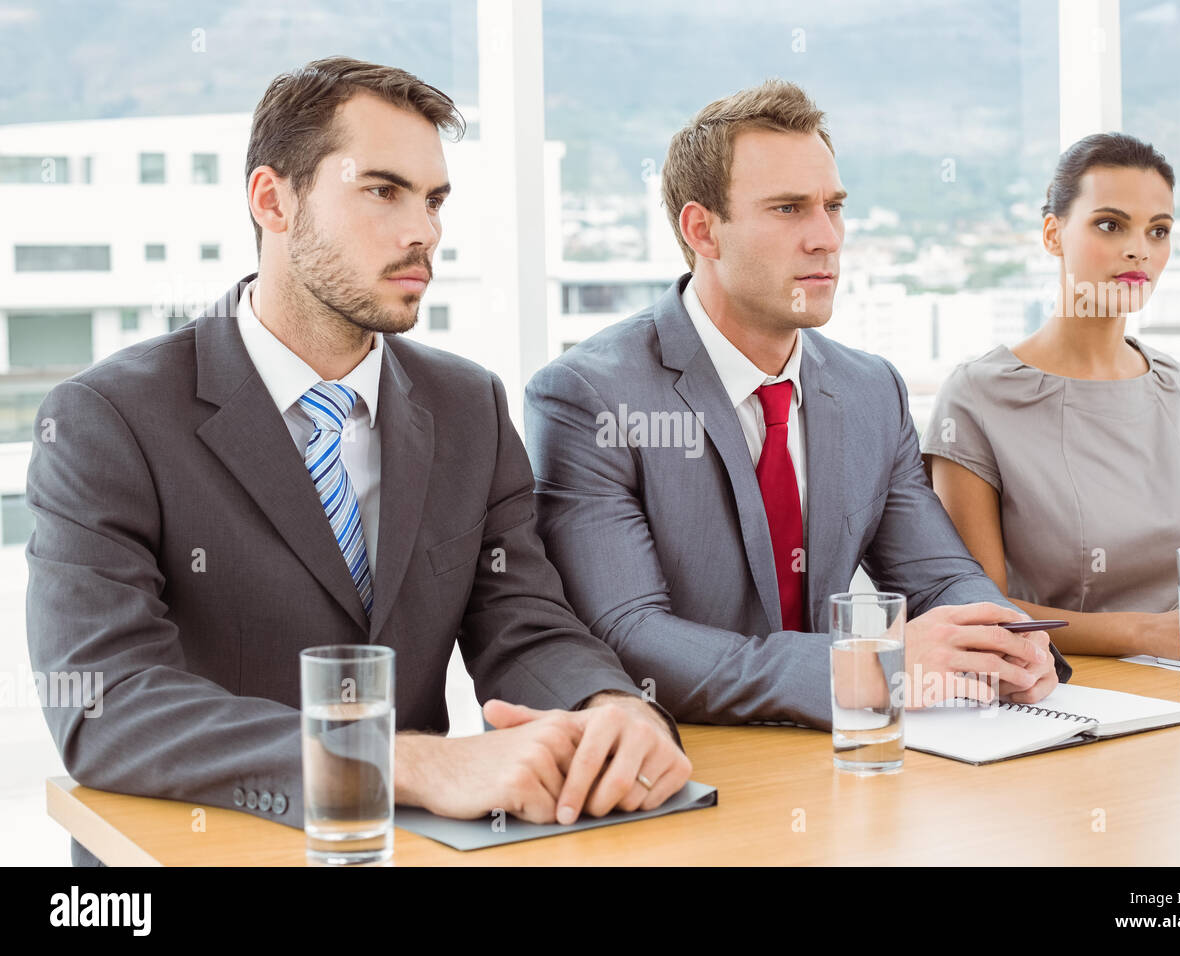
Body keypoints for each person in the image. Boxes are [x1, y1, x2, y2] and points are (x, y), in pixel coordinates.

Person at [25, 56, 689, 867]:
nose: (424, 231)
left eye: (434, 199)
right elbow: (108, 705)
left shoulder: (467, 406)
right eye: (382, 190)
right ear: (273, 199)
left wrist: (610, 706)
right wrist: (400, 760)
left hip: (408, 852)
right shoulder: (108, 420)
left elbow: (521, 625)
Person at [523, 80, 1070, 731]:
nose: (826, 238)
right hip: (693, 764)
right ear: (703, 231)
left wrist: (1008, 639)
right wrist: (866, 668)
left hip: (846, 760)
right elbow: (628, 633)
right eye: (788, 209)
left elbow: (943, 577)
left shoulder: (872, 389)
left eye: (833, 206)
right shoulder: (587, 396)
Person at [922, 132, 1180, 662]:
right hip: (1068, 692)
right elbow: (984, 607)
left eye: (1158, 230)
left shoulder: (1172, 384)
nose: (1138, 249)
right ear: (1053, 234)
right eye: (1110, 224)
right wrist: (1148, 633)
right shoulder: (979, 396)